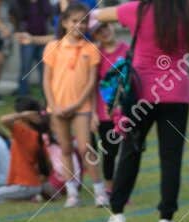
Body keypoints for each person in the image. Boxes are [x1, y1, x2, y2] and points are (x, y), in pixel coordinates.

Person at [91, 0, 189, 222]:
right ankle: (165, 220)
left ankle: (117, 213)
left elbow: (95, 15)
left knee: (130, 151)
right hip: (176, 93)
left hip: (141, 93)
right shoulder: (188, 15)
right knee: (171, 158)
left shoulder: (137, 9)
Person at [41, 3, 99, 207]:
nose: (79, 26)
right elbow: (47, 80)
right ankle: (72, 192)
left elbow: (91, 82)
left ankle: (100, 190)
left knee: (85, 148)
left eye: (83, 22)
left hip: (81, 108)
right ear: (65, 22)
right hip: (58, 108)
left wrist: (77, 104)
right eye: (75, 21)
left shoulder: (91, 48)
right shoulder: (53, 47)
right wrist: (53, 105)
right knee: (65, 148)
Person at [0, 95, 46, 202]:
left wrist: (22, 115)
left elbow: (4, 120)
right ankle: (32, 196)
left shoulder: (23, 132)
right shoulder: (38, 134)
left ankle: (26, 197)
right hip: (33, 184)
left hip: (25, 185)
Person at [91, 15, 126, 193]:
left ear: (112, 26)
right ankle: (110, 188)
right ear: (95, 36)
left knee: (127, 151)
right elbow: (91, 86)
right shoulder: (96, 55)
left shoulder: (127, 50)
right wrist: (92, 113)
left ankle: (124, 187)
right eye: (99, 31)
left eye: (105, 27)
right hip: (104, 113)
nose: (104, 32)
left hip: (128, 111)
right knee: (109, 152)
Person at [9, 0, 50, 98]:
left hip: (43, 39)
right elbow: (12, 16)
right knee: (25, 69)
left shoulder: (44, 3)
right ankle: (22, 95)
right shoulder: (19, 3)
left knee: (44, 69)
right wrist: (17, 31)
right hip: (26, 40)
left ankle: (46, 95)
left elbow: (49, 17)